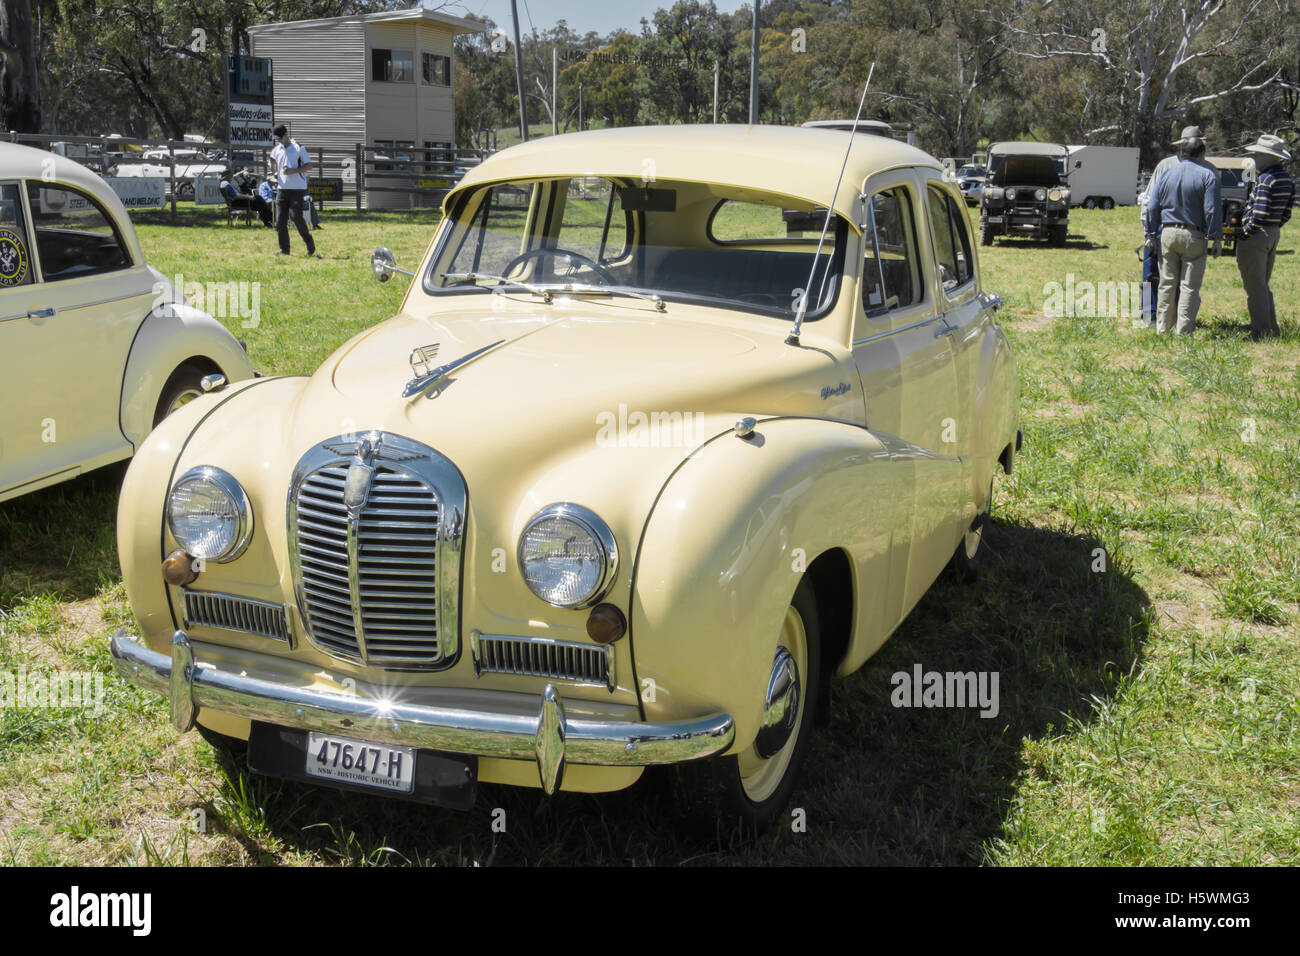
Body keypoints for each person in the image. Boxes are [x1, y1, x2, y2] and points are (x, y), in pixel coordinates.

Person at [1145, 125, 1221, 336]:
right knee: (1189, 286)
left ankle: (1162, 328)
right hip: (1193, 234)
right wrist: (1215, 238)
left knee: (1166, 283)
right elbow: (1212, 210)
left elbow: (1152, 206)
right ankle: (1184, 331)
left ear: (1182, 152)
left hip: (1167, 233)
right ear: (1202, 153)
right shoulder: (1208, 174)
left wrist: (1150, 234)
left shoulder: (1166, 173)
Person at [1235, 134, 1293, 340]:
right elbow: (1287, 212)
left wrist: (1245, 232)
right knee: (1262, 284)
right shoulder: (1286, 178)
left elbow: (1258, 213)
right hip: (1273, 232)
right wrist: (1274, 226)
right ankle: (1271, 327)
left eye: (1258, 155)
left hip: (1257, 236)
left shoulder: (1265, 178)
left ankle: (1260, 332)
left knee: (1254, 286)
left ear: (1269, 157)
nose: (1255, 158)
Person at [270, 124, 316, 257]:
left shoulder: (298, 147)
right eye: (276, 139)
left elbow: (309, 165)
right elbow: (272, 162)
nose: (278, 141)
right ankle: (284, 250)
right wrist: (272, 173)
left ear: (286, 135)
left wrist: (293, 171)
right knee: (280, 221)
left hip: (297, 189)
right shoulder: (276, 149)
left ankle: (310, 244)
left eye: (279, 138)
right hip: (281, 189)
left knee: (297, 218)